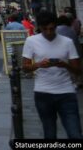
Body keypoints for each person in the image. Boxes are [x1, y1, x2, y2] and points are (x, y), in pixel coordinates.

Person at [22, 10, 83, 140]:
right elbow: (25, 68)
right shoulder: (31, 41)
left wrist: (64, 65)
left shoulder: (67, 42)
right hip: (43, 93)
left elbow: (78, 70)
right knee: (49, 134)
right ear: (39, 27)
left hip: (66, 93)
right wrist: (38, 65)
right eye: (45, 29)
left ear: (56, 26)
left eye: (52, 29)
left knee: (75, 134)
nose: (49, 32)